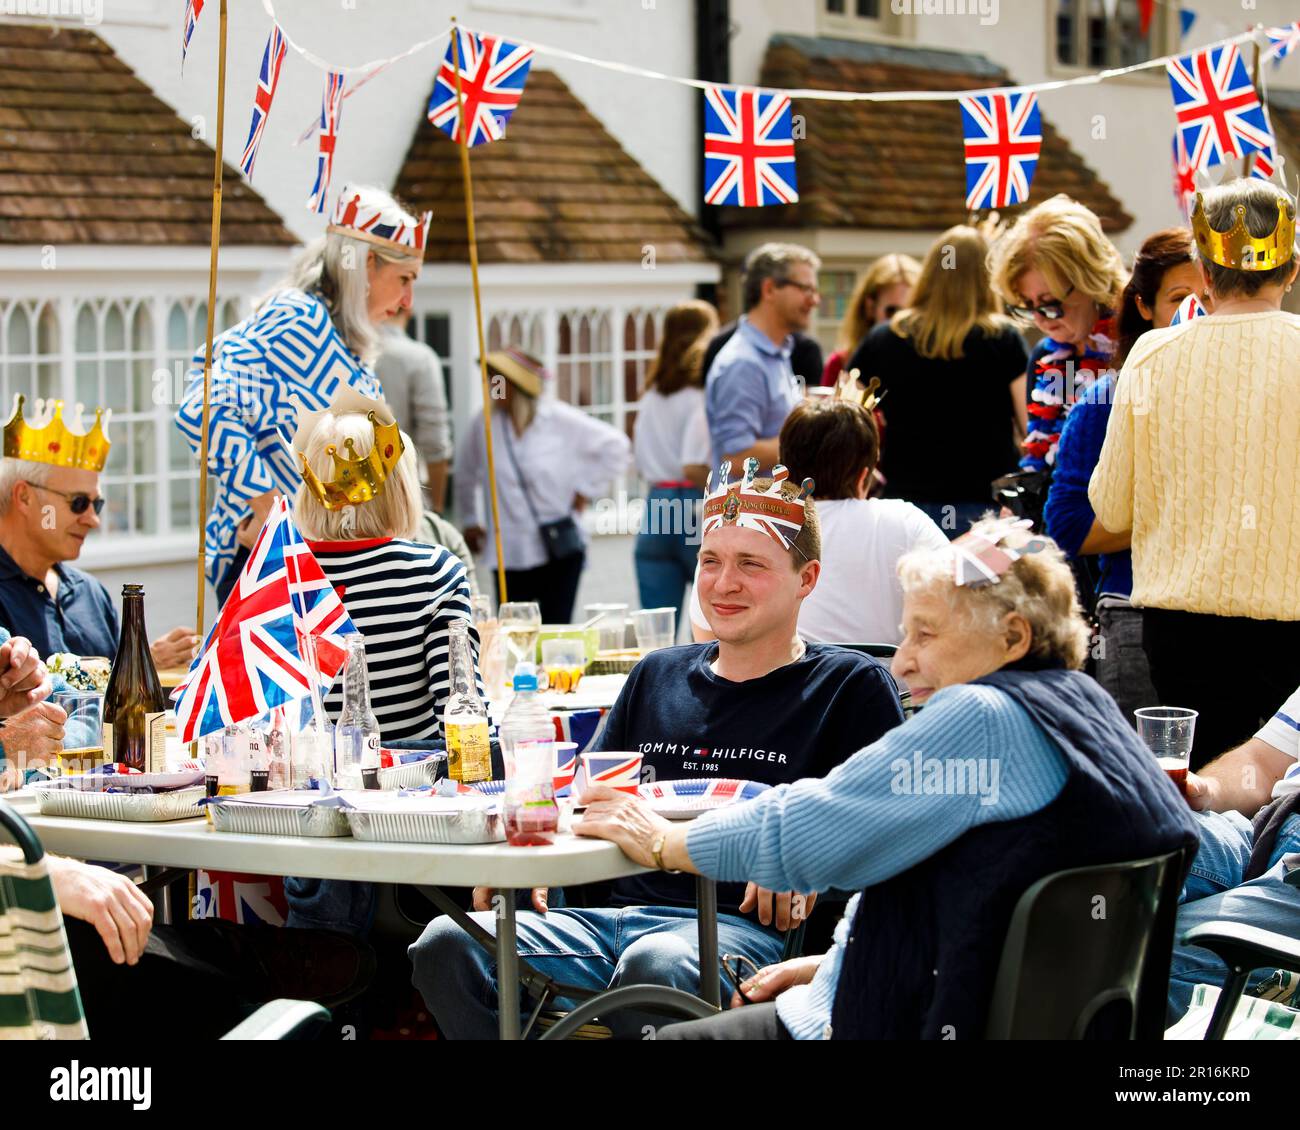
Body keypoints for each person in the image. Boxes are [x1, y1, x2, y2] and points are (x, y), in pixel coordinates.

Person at [576, 517, 1199, 1040]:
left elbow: (807, 829)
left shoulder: (982, 716)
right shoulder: (1088, 710)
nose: (901, 660)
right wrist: (835, 963)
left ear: (1012, 638)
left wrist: (663, 842)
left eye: (925, 634)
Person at [410, 463, 905, 1039]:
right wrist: (530, 863)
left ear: (807, 578)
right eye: (711, 561)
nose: (724, 583)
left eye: (752, 564)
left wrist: (807, 863)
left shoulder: (849, 687)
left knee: (657, 966)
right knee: (447, 943)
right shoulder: (656, 675)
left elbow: (892, 838)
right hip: (600, 923)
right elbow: (582, 800)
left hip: (738, 935)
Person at [1090, 180, 1300, 769]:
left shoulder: (1152, 355)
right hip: (1292, 619)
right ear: (1293, 270)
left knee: (1203, 787)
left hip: (1181, 626)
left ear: (1204, 274)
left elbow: (1111, 505)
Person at [176, 183, 429, 605]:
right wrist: (270, 510)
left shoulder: (351, 348)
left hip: (335, 566)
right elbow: (203, 405)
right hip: (275, 565)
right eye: (404, 279)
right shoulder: (299, 317)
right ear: (367, 264)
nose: (408, 301)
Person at [1044, 228, 1203, 721]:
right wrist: (1181, 516)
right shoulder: (1108, 399)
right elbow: (1068, 526)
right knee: (1151, 784)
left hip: (1237, 619)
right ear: (1144, 306)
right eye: (1180, 297)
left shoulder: (1249, 394)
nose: (1198, 311)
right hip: (1136, 614)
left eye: (1210, 295)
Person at [688, 390, 948, 646]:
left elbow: (709, 642)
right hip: (892, 684)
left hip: (779, 684)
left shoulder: (737, 531)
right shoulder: (904, 522)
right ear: (862, 477)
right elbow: (956, 605)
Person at [844, 225, 1028, 537]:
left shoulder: (885, 337)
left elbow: (846, 420)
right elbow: (1029, 427)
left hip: (904, 505)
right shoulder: (1003, 338)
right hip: (983, 508)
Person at [0, 396, 197, 668]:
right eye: (78, 503)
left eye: (97, 504)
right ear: (24, 497)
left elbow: (119, 705)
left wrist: (138, 669)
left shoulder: (91, 594)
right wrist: (137, 665)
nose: (93, 520)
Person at [455, 348, 630, 623]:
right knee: (513, 636)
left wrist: (585, 488)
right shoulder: (485, 425)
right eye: (489, 380)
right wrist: (469, 519)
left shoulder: (560, 420)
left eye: (497, 380)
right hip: (508, 551)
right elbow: (465, 473)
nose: (492, 387)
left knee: (555, 635)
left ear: (516, 385)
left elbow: (617, 447)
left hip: (557, 548)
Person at [1167, 683, 1300, 1019]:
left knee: (1138, 959)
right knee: (1106, 854)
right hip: (1269, 828)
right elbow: (1262, 762)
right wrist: (1205, 789)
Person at [988, 194, 1126, 478]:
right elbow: (1039, 452)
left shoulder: (1136, 346)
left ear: (1091, 280)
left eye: (1050, 303)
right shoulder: (1043, 356)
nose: (1039, 319)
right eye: (1027, 306)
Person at [633, 300, 717, 626]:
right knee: (710, 629)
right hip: (695, 504)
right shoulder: (703, 392)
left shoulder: (652, 394)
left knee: (657, 630)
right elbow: (693, 462)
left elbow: (639, 459)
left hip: (656, 505)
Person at [705, 243, 820, 474]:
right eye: (805, 288)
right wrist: (814, 437)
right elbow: (737, 458)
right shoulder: (743, 363)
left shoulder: (776, 352)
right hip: (748, 509)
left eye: (814, 291)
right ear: (769, 289)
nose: (814, 300)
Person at [375, 314, 452, 512]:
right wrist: (437, 509)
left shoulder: (342, 351)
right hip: (403, 500)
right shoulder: (419, 358)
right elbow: (435, 443)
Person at [820, 253, 920, 386]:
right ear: (870, 307)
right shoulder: (840, 364)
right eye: (892, 311)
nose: (900, 322)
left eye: (910, 313)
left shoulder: (931, 363)